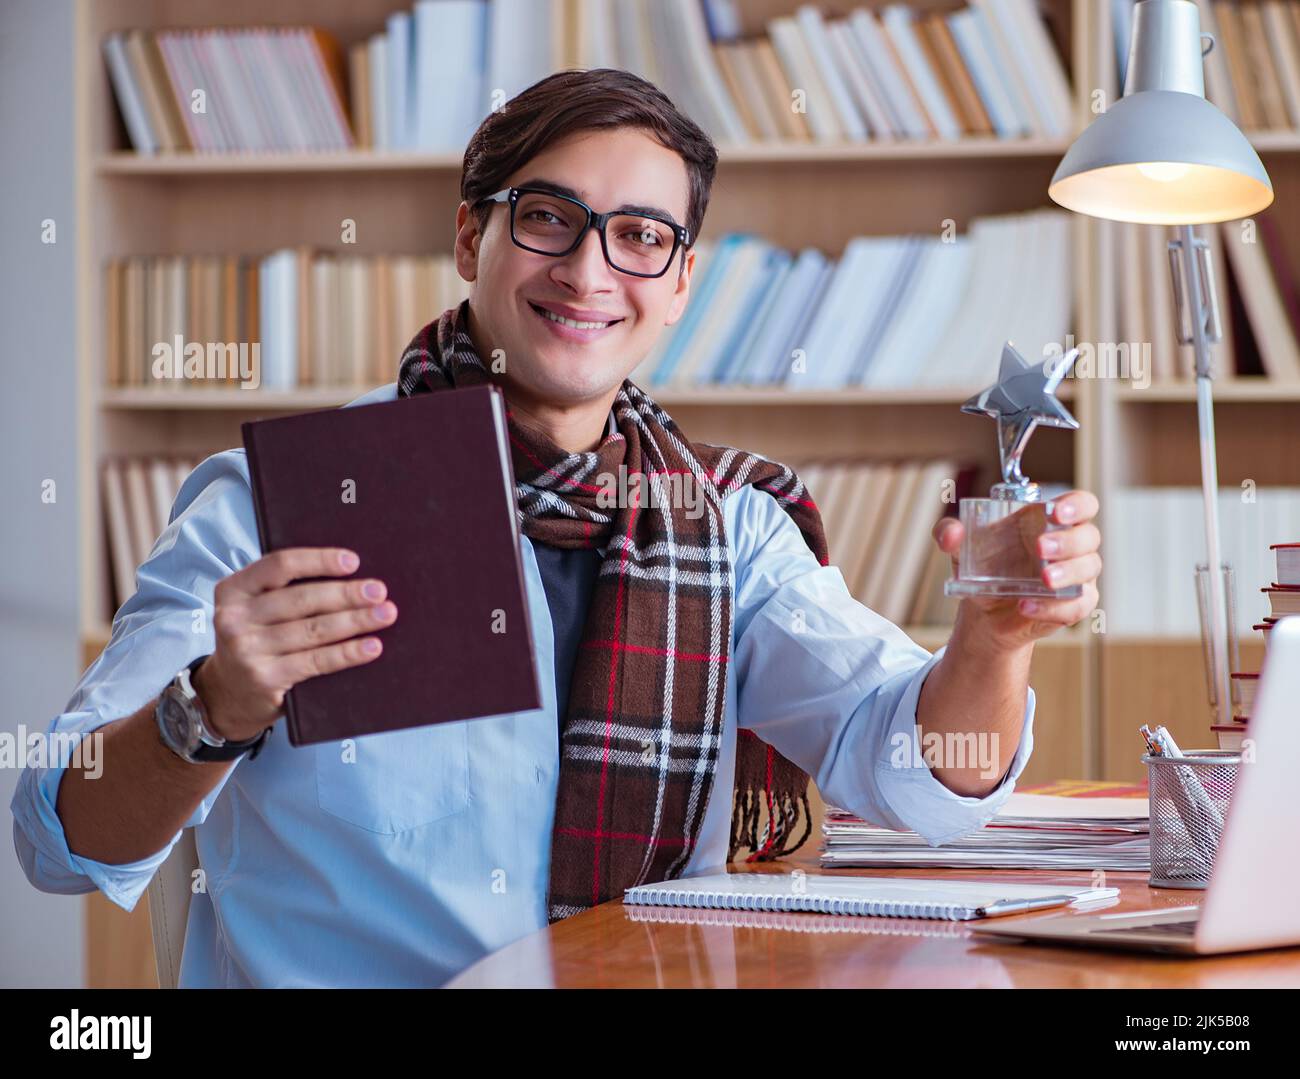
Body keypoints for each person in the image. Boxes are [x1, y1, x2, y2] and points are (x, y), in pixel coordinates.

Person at [13, 69, 1101, 987]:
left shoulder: (723, 520)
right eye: (547, 218)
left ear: (679, 286)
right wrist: (212, 708)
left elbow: (909, 768)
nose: (587, 272)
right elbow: (60, 839)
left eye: (639, 238)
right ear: (469, 238)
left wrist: (992, 642)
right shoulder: (278, 500)